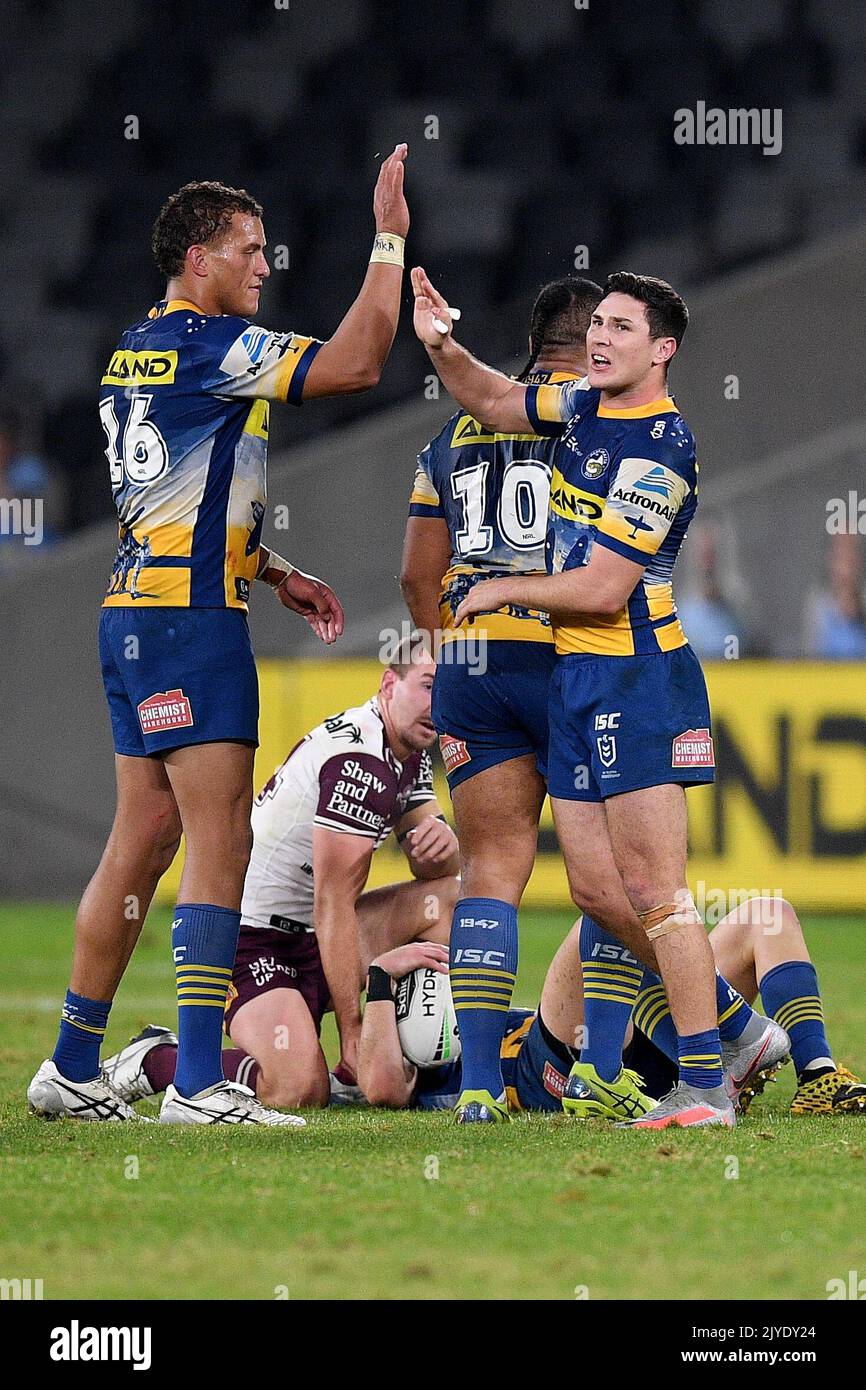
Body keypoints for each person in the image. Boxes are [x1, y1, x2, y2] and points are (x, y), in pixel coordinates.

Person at [28, 151, 411, 1127]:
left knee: (142, 838)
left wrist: (274, 568)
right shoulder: (211, 346)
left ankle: (72, 1065)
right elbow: (357, 361)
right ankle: (196, 1081)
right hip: (191, 624)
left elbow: (171, 501)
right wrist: (387, 237)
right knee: (217, 840)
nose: (264, 264)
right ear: (197, 258)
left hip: (130, 614)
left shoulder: (133, 350)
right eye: (247, 249)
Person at [413, 265, 740, 1129]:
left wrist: (500, 591)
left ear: (662, 351)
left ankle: (707, 1083)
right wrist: (442, 343)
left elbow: (602, 588)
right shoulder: (588, 410)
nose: (600, 339)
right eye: (596, 326)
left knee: (656, 891)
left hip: (635, 675)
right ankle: (732, 1042)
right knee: (598, 890)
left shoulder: (662, 446)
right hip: (578, 681)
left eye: (622, 329)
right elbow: (490, 401)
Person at [400, 276, 606, 1123]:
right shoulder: (595, 413)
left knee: (490, 875)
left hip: (474, 664)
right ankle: (624, 1065)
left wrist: (450, 646)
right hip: (568, 660)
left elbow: (417, 576)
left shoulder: (448, 436)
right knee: (615, 876)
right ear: (594, 341)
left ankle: (480, 1086)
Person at [103, 645, 461, 1115]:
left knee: (450, 898)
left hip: (314, 938)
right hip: (253, 943)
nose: (438, 704)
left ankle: (421, 1068)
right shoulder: (359, 760)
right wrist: (351, 1034)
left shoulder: (405, 753)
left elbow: (433, 870)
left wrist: (445, 845)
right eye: (429, 686)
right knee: (297, 1089)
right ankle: (158, 1060)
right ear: (389, 685)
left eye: (449, 692)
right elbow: (332, 903)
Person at [357, 896, 865, 1120]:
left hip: (640, 1036)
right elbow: (381, 1087)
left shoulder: (478, 1009)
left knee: (769, 916)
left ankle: (816, 1076)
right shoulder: (431, 1070)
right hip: (555, 1069)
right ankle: (733, 1042)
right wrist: (382, 975)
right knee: (599, 913)